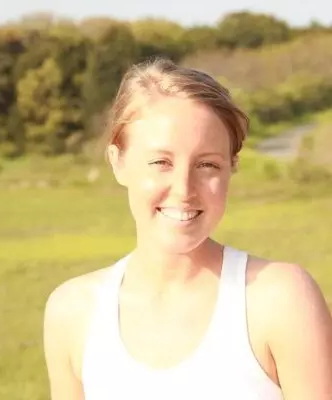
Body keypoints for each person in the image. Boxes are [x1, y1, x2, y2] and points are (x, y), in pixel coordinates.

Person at [43, 58, 332, 399]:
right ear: (118, 162)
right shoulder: (73, 312)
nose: (183, 188)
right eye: (161, 162)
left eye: (207, 164)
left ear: (231, 168)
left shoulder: (281, 299)